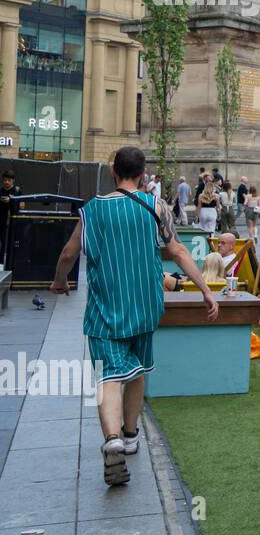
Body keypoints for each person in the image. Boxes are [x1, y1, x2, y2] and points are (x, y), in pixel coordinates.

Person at [51, 146, 218, 486]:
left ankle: (112, 437)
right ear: (143, 174)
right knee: (138, 370)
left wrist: (58, 280)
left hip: (105, 308)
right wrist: (205, 288)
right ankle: (130, 435)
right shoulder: (154, 206)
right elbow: (178, 250)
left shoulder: (92, 209)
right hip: (145, 306)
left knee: (109, 376)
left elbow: (69, 252)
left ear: (114, 172)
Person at [0, 170, 21, 263]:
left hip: (14, 221)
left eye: (9, 180)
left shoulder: (17, 191)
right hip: (1, 221)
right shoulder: (0, 191)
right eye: (4, 180)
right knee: (2, 243)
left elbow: (22, 205)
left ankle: (11, 263)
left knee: (12, 243)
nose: (6, 182)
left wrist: (11, 200)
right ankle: (0, 264)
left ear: (13, 180)